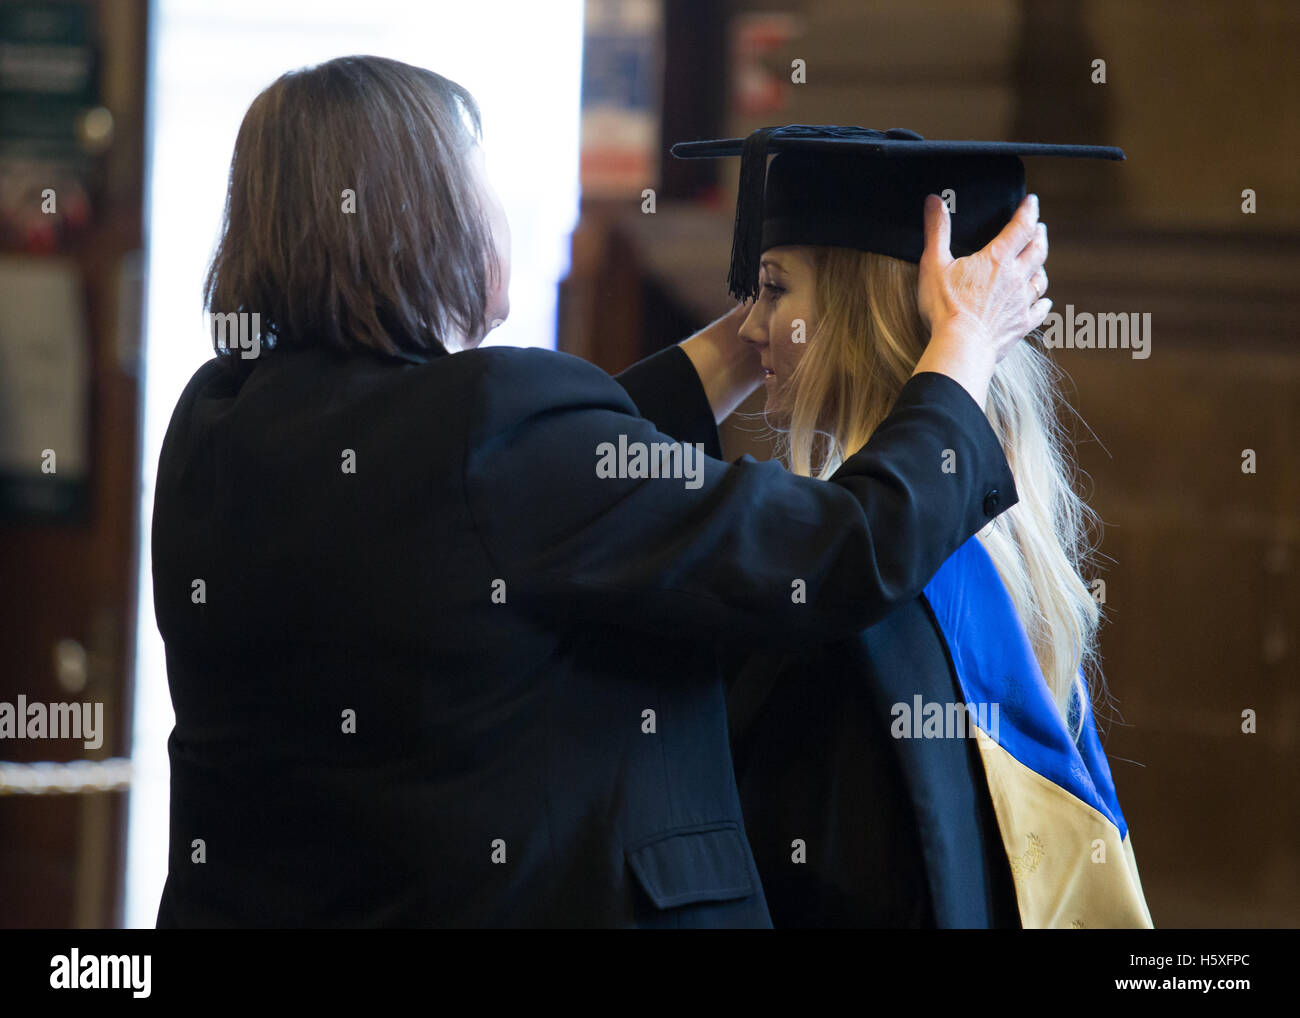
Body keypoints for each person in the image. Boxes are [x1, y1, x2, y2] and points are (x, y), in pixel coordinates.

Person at [151, 60, 1046, 928]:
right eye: (480, 181)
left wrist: (761, 326)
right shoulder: (494, 432)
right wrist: (962, 346)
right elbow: (844, 545)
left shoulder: (212, 424)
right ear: (421, 221)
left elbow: (518, 492)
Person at [671, 125, 1152, 928]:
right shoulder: (1000, 556)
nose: (749, 327)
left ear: (862, 317)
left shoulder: (845, 592)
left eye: (775, 289)